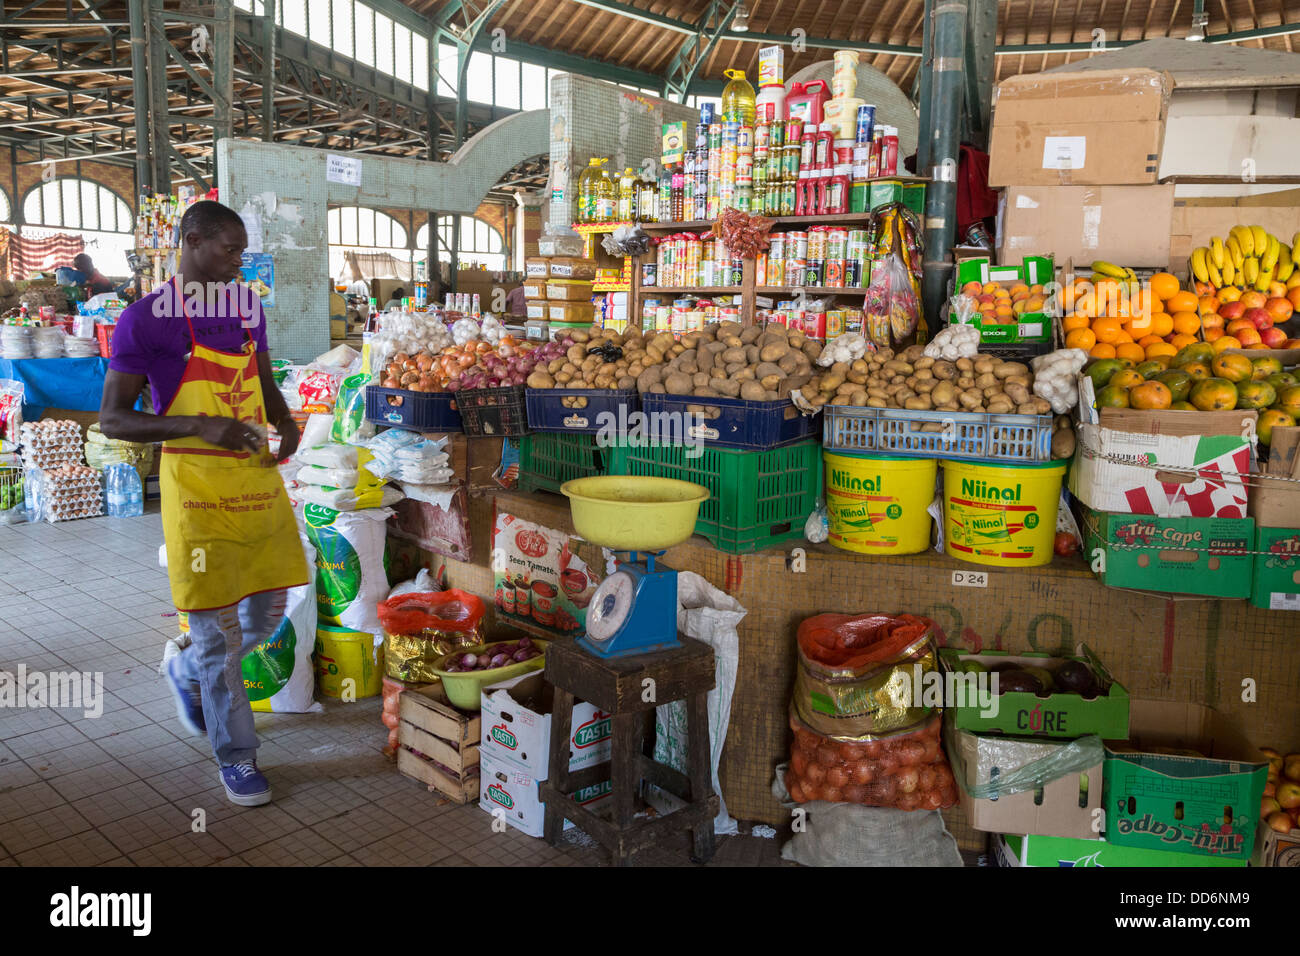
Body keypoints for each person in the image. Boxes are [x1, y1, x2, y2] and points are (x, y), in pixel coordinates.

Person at [99, 199, 307, 808]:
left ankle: (186, 672)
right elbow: (114, 419)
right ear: (191, 241)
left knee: (265, 613)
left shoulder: (245, 307)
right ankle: (237, 756)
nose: (239, 264)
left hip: (255, 483)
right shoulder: (146, 321)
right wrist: (198, 425)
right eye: (230, 251)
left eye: (242, 251)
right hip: (196, 491)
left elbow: (263, 377)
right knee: (217, 631)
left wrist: (284, 418)